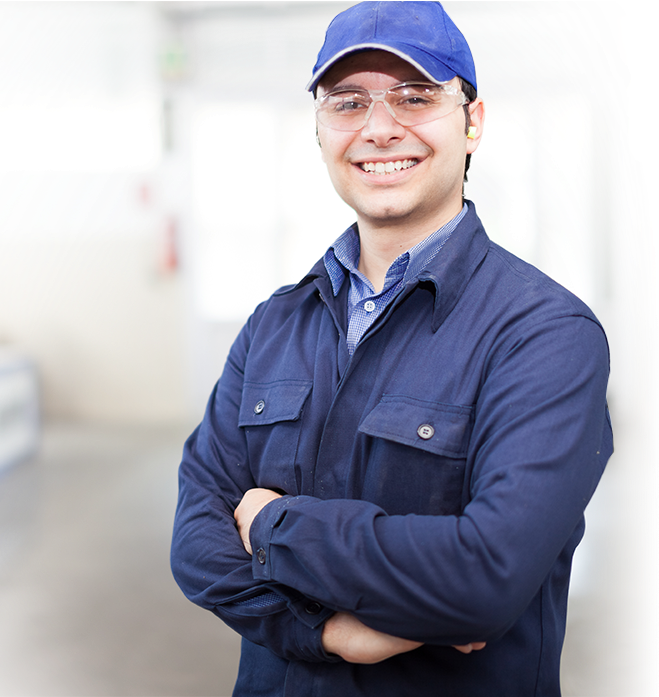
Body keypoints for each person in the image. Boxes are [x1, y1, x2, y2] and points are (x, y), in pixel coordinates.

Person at [170, 2, 613, 695]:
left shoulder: (544, 334)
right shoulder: (272, 325)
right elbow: (196, 543)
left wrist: (269, 523)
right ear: (319, 132)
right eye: (347, 102)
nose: (379, 127)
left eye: (414, 96)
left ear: (471, 122)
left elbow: (483, 578)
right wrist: (327, 632)